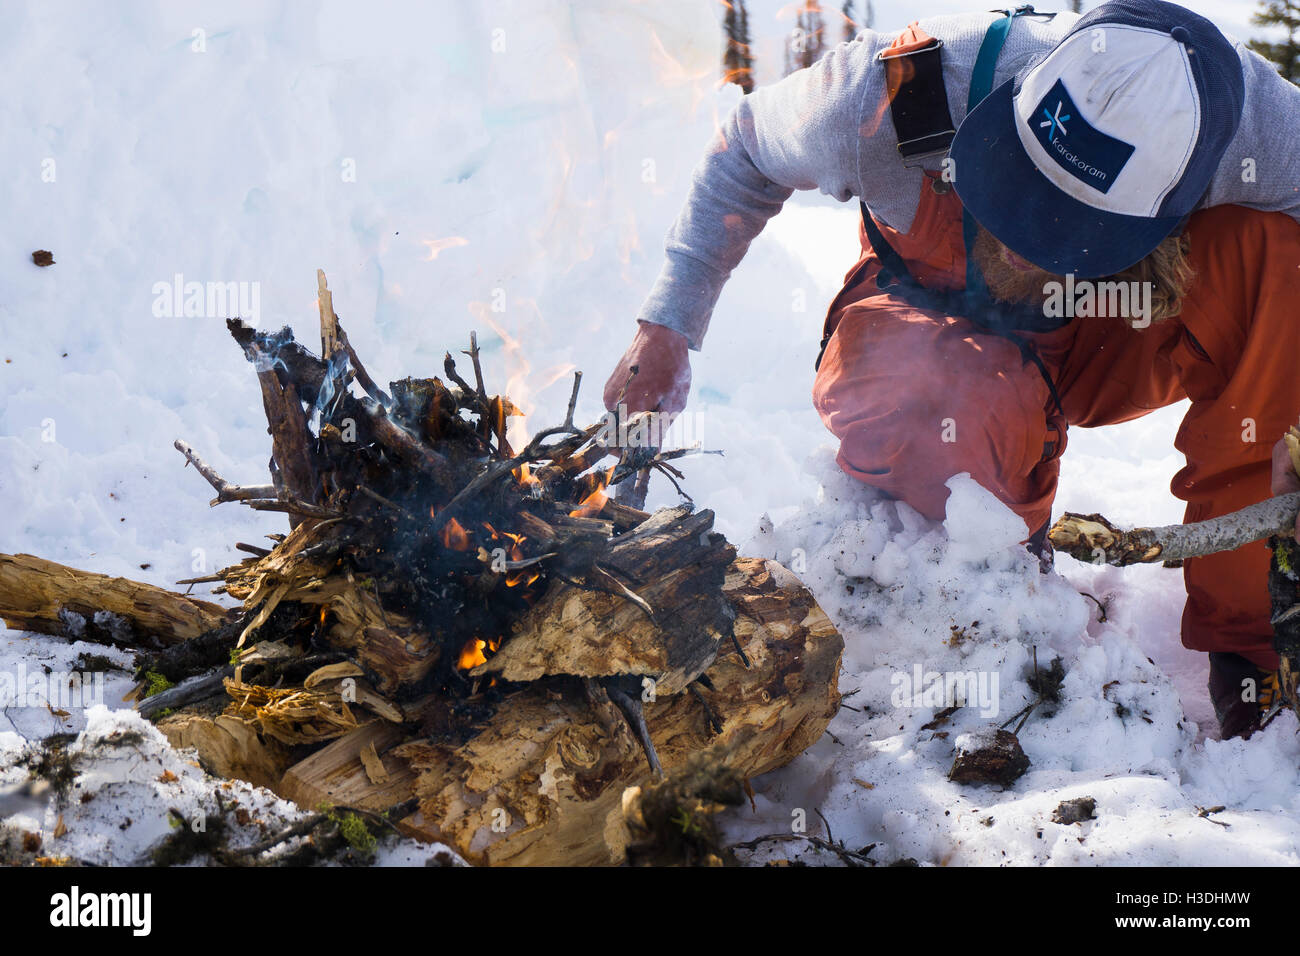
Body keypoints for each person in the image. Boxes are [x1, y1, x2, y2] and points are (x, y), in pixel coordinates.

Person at [602, 0, 1300, 738]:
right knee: (942, 401)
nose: (1024, 240)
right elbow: (745, 147)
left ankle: (1255, 640)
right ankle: (995, 578)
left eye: (1063, 222)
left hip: (1106, 320)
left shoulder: (1247, 123)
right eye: (1019, 190)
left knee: (1279, 263)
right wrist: (668, 325)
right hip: (926, 322)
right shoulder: (895, 90)